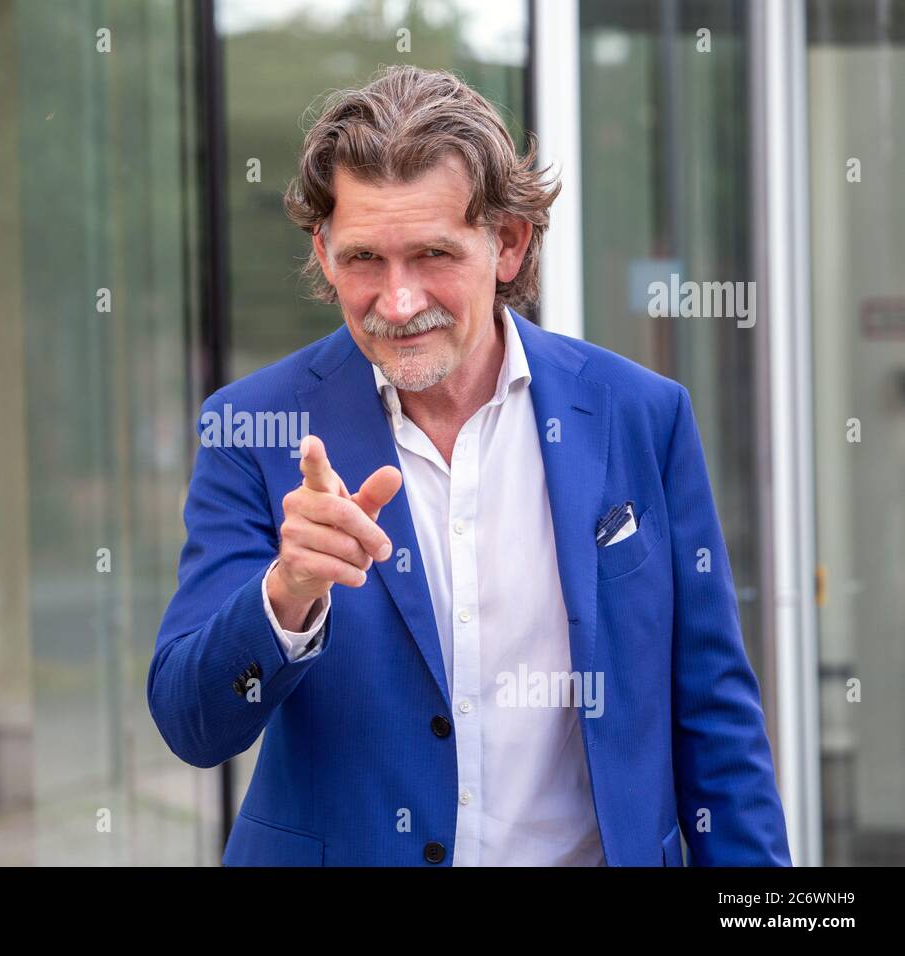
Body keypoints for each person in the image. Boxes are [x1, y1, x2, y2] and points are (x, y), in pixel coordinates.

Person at [147, 65, 790, 867]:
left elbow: (715, 717)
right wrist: (285, 596)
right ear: (322, 250)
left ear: (508, 243)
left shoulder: (641, 416)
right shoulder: (252, 428)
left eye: (432, 253)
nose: (400, 299)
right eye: (363, 260)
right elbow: (192, 722)